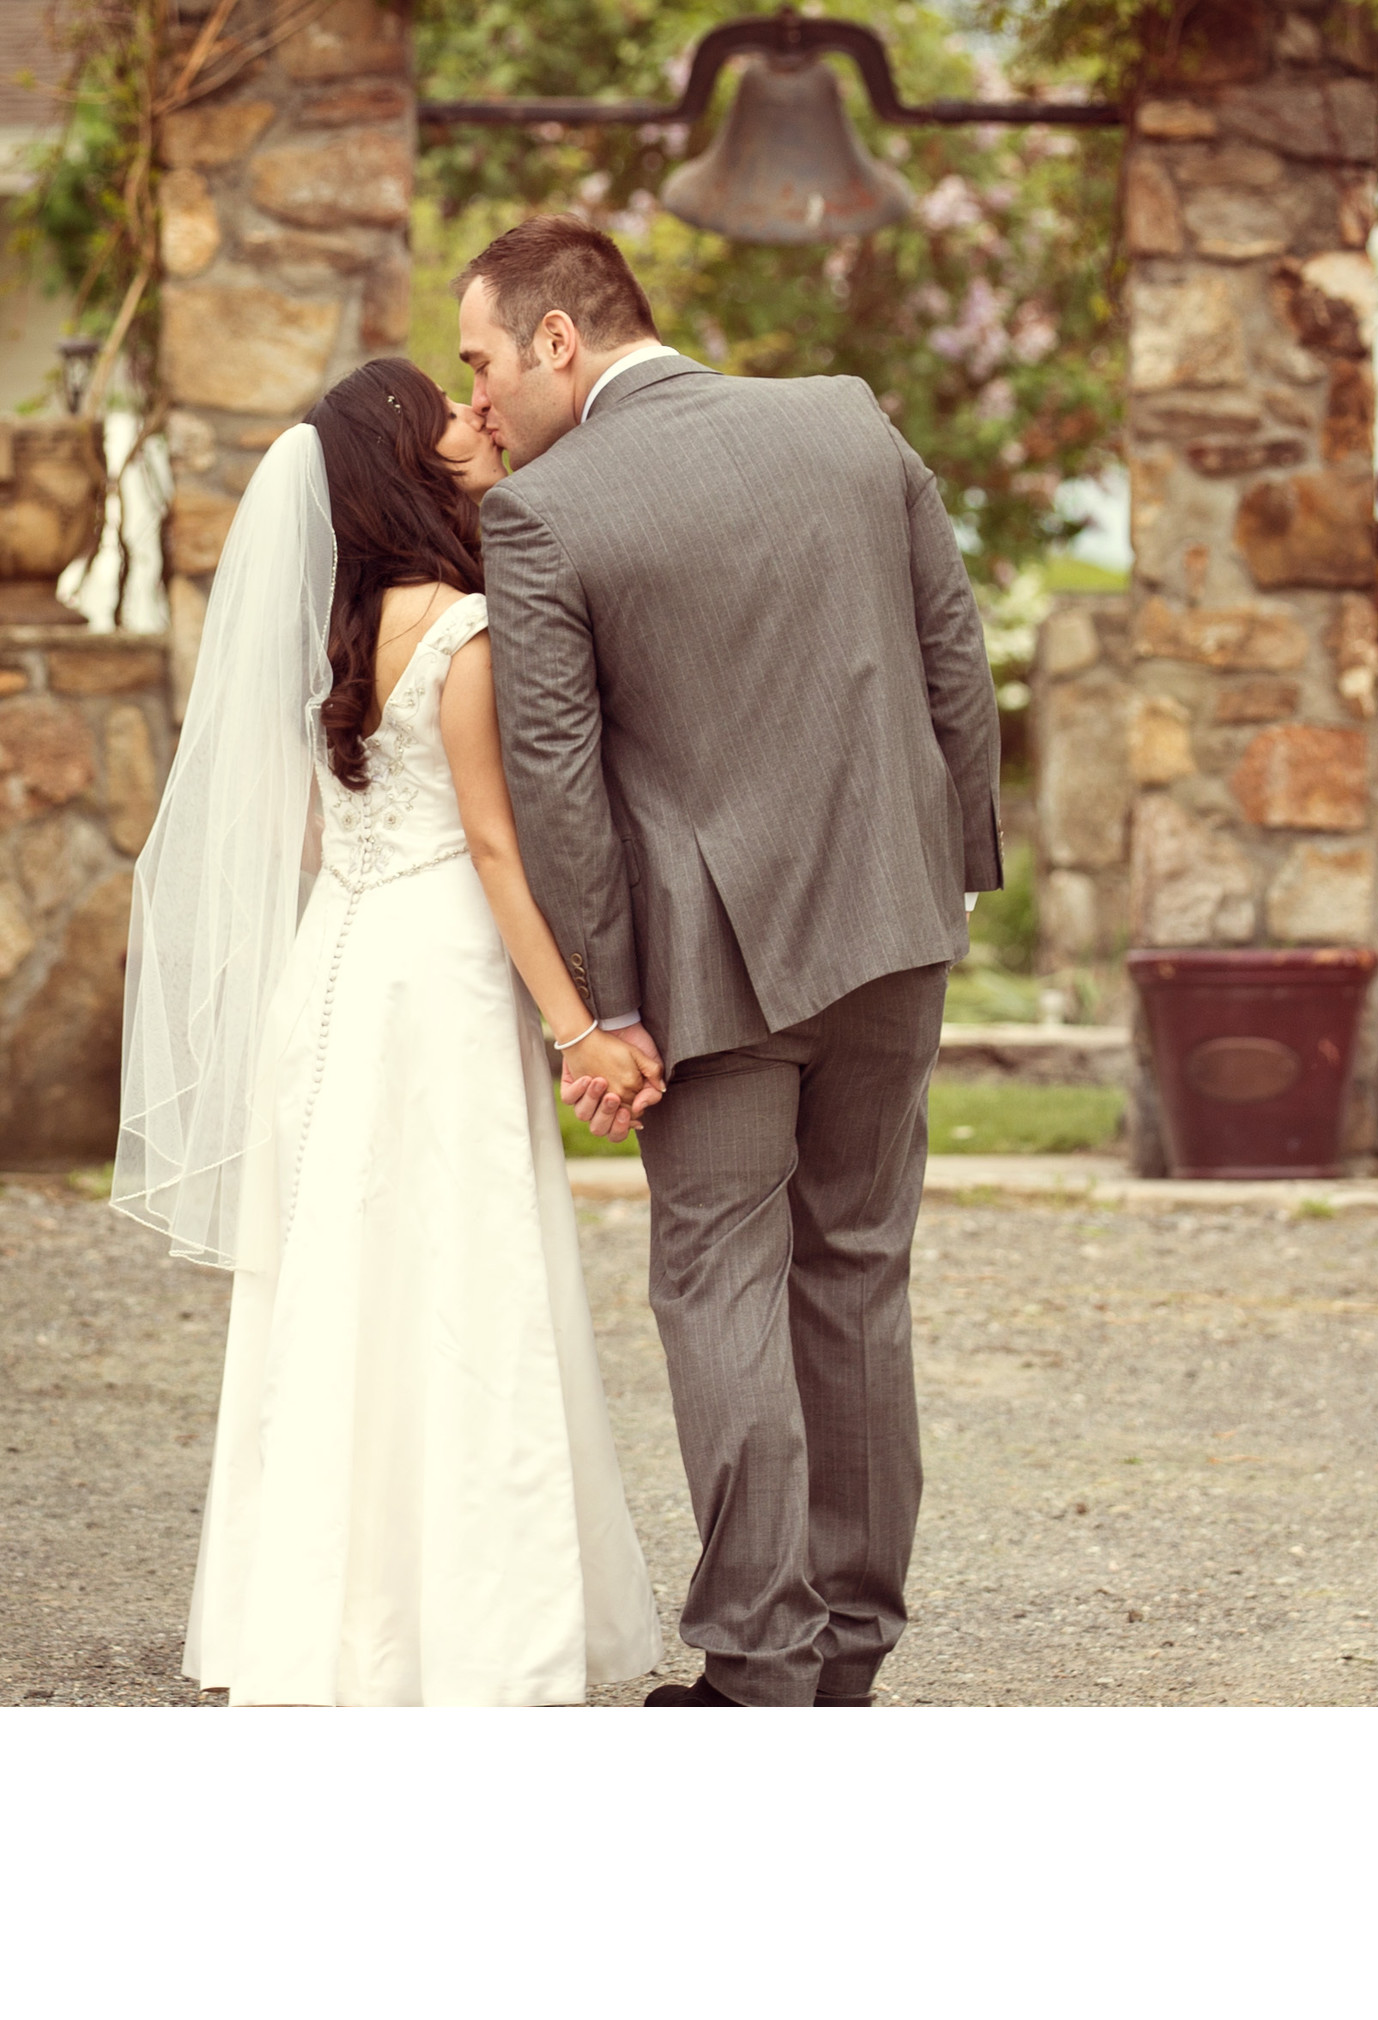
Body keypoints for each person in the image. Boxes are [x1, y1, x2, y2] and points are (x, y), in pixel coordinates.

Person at [455, 216, 1003, 1707]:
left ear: (559, 340)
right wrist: (944, 873)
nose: (480, 400)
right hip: (893, 932)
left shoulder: (544, 513)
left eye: (485, 361)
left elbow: (556, 784)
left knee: (720, 1285)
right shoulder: (845, 417)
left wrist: (608, 1009)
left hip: (712, 978)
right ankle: (855, 1649)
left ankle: (759, 1661)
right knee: (860, 1275)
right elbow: (955, 656)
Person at [113, 357, 664, 1707]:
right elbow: (488, 842)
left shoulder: (329, 632)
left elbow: (325, 826)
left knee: (339, 1286)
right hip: (439, 982)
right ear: (406, 461)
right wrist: (577, 1028)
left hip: (333, 970)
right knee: (460, 1280)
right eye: (447, 414)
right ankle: (473, 1626)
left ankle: (313, 1622)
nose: (471, 419)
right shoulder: (464, 628)